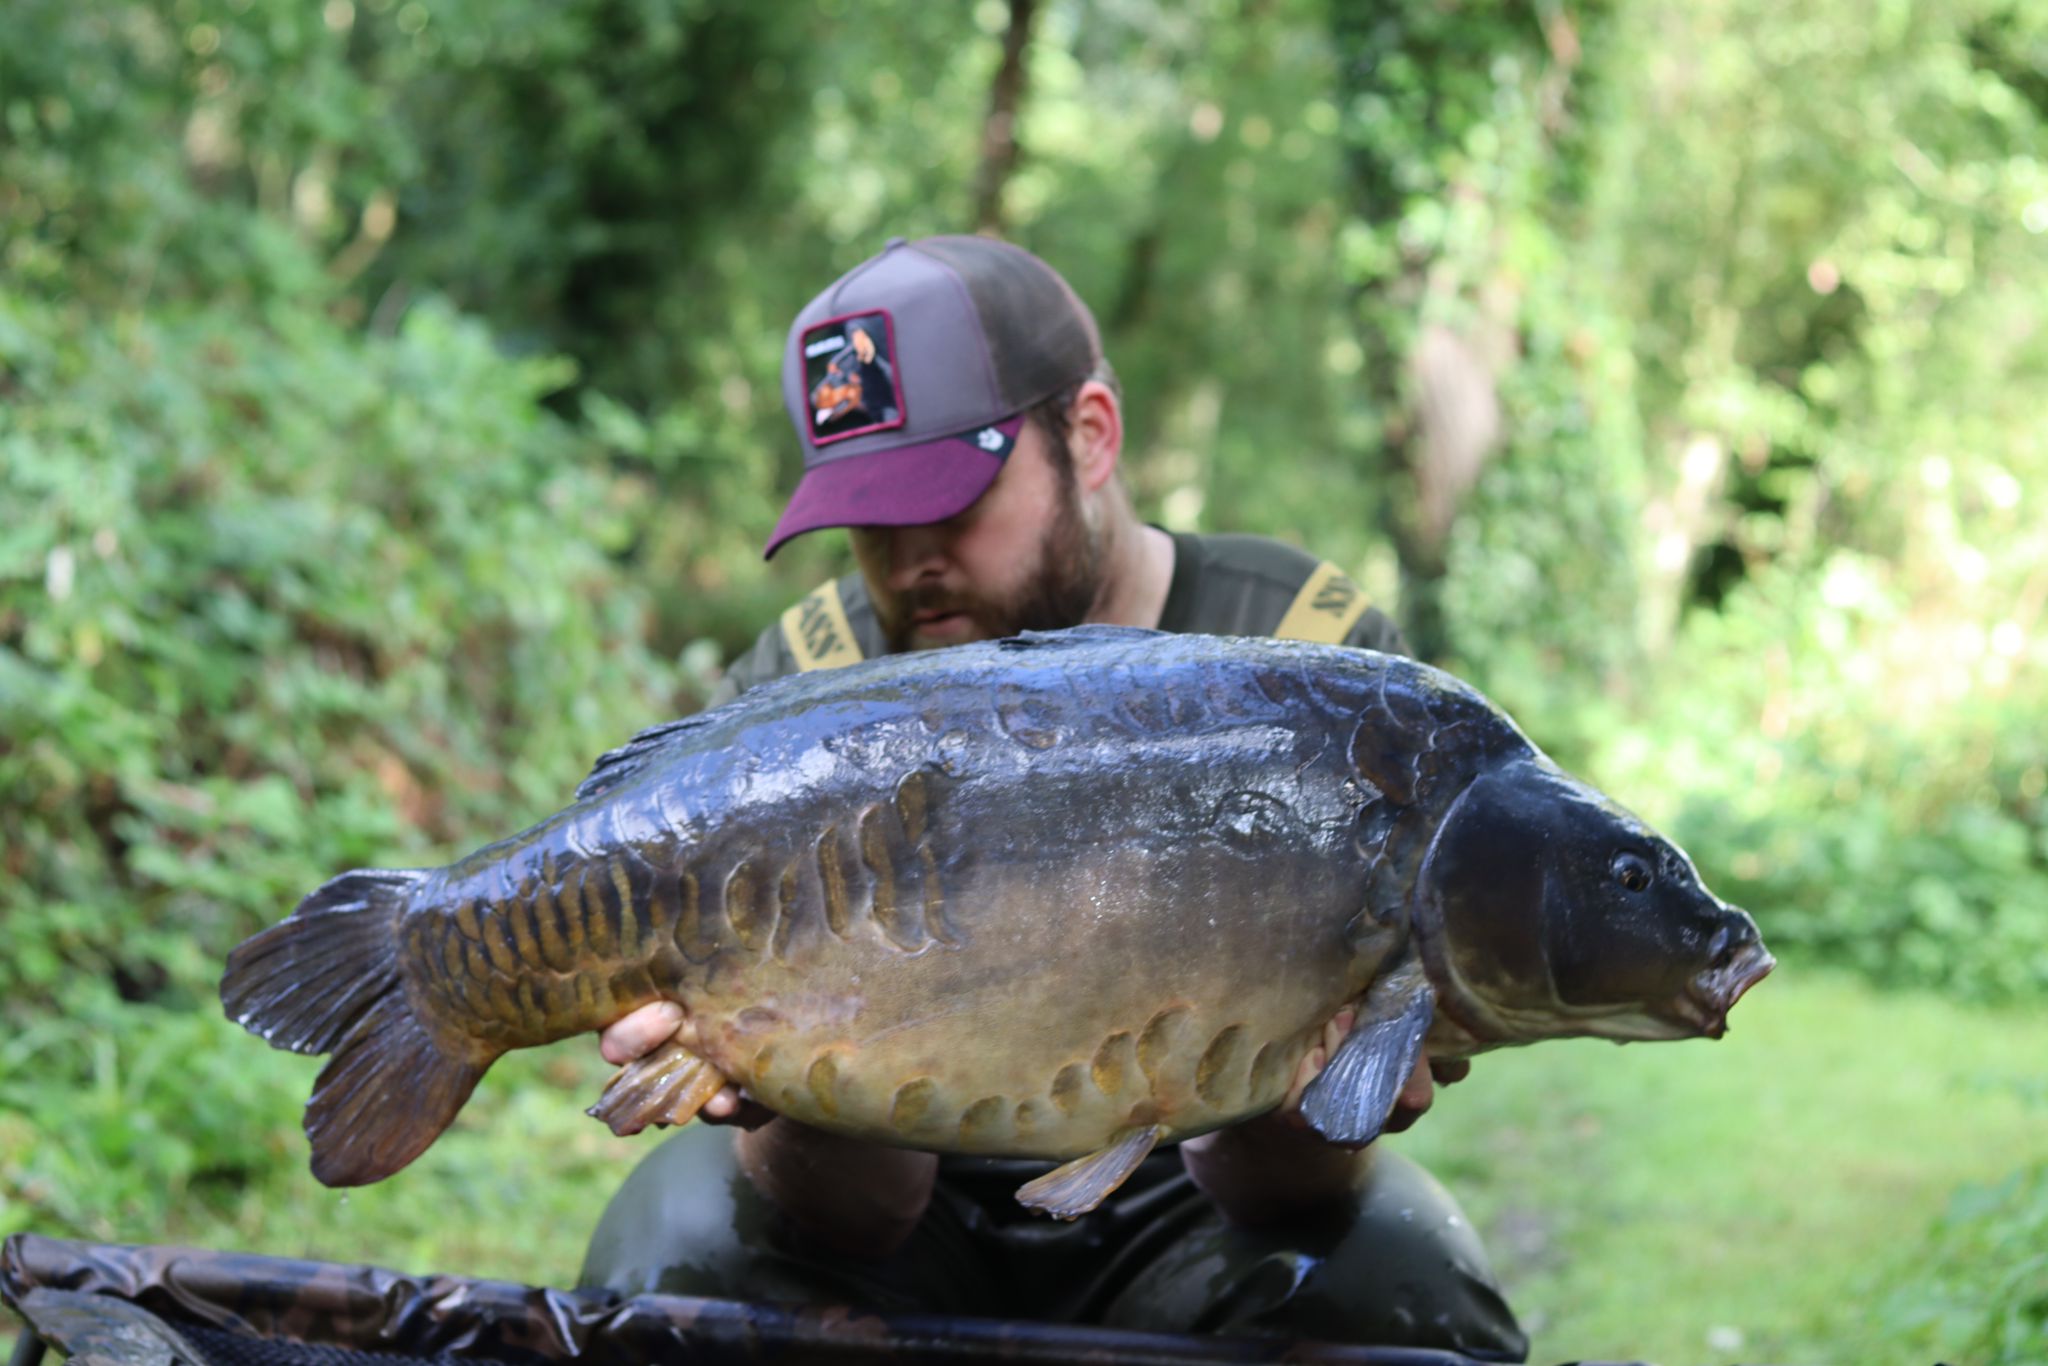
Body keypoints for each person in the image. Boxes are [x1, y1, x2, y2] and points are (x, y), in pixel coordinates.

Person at [578, 235, 1528, 1361]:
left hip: (1189, 1195)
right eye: (869, 516)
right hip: (890, 1192)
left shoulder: (1310, 655)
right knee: (667, 1247)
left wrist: (1314, 1089)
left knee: (1401, 1280)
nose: (909, 558)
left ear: (1091, 433)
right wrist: (774, 1072)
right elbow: (850, 1213)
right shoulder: (807, 681)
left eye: (948, 499)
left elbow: (1283, 1195)